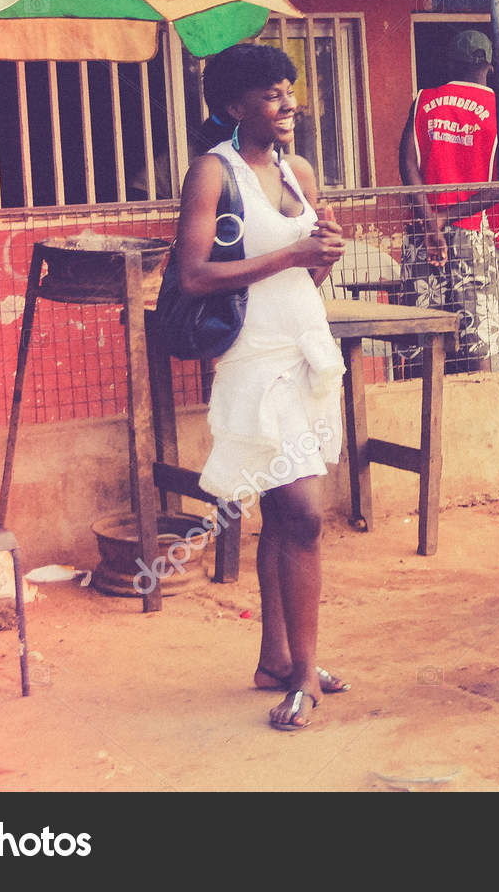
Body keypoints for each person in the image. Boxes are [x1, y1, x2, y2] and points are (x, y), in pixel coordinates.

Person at [176, 42, 348, 731]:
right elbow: (192, 275)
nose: (287, 102)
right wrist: (297, 252)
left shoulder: (299, 172)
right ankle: (304, 673)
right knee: (303, 513)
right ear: (233, 107)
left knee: (284, 514)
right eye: (272, 92)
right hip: (254, 361)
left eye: (289, 89)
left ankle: (276, 656)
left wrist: (323, 254)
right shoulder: (212, 175)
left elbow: (304, 273)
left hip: (305, 352)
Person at [398, 30, 499, 373]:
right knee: (478, 332)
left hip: (422, 234)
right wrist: (447, 218)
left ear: (450, 62)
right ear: (491, 67)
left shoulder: (424, 100)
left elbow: (407, 163)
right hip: (473, 234)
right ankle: (483, 416)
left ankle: (420, 415)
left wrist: (431, 220)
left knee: (423, 328)